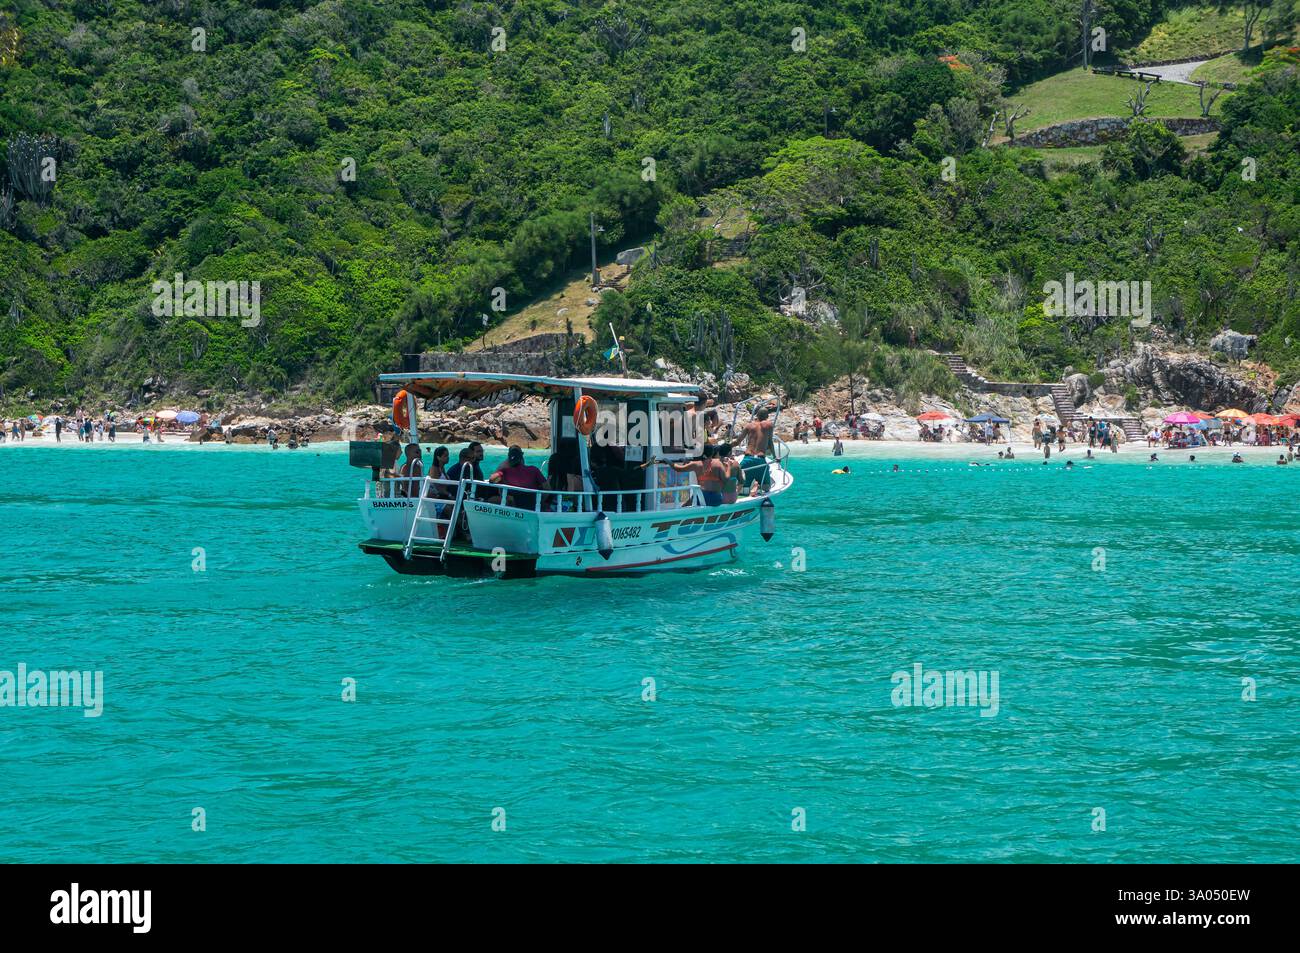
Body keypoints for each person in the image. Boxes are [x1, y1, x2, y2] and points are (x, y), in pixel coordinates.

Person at [740, 407, 775, 494]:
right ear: (767, 416)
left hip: (747, 460)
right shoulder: (769, 425)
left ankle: (746, 491)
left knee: (743, 487)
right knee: (766, 487)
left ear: (757, 415)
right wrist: (775, 456)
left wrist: (728, 447)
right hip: (760, 460)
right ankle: (758, 487)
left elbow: (738, 441)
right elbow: (770, 443)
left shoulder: (749, 425)